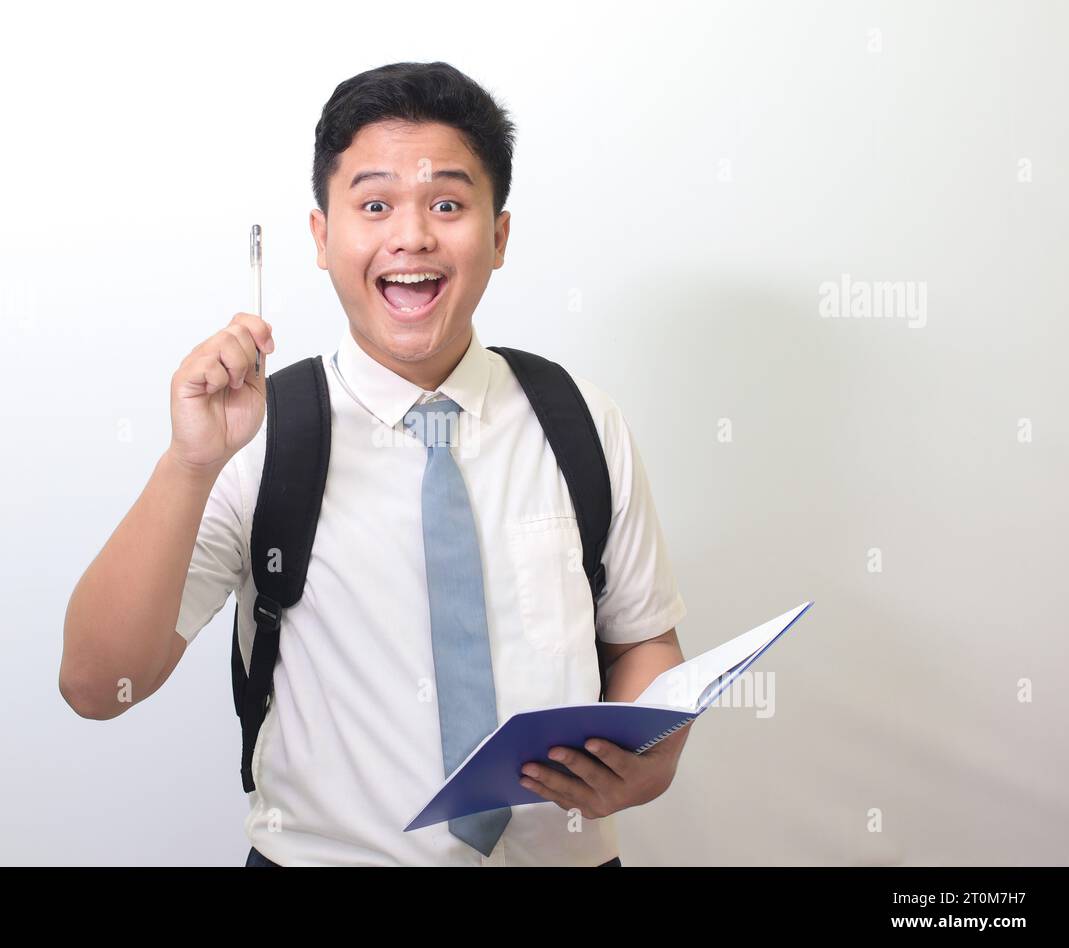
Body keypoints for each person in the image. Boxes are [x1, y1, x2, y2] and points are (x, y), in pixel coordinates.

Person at [61, 61, 690, 867]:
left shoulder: (579, 418)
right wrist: (190, 464)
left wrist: (652, 756)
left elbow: (645, 642)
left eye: (449, 204)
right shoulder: (257, 436)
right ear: (322, 239)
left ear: (498, 236)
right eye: (375, 204)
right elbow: (95, 685)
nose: (412, 236)